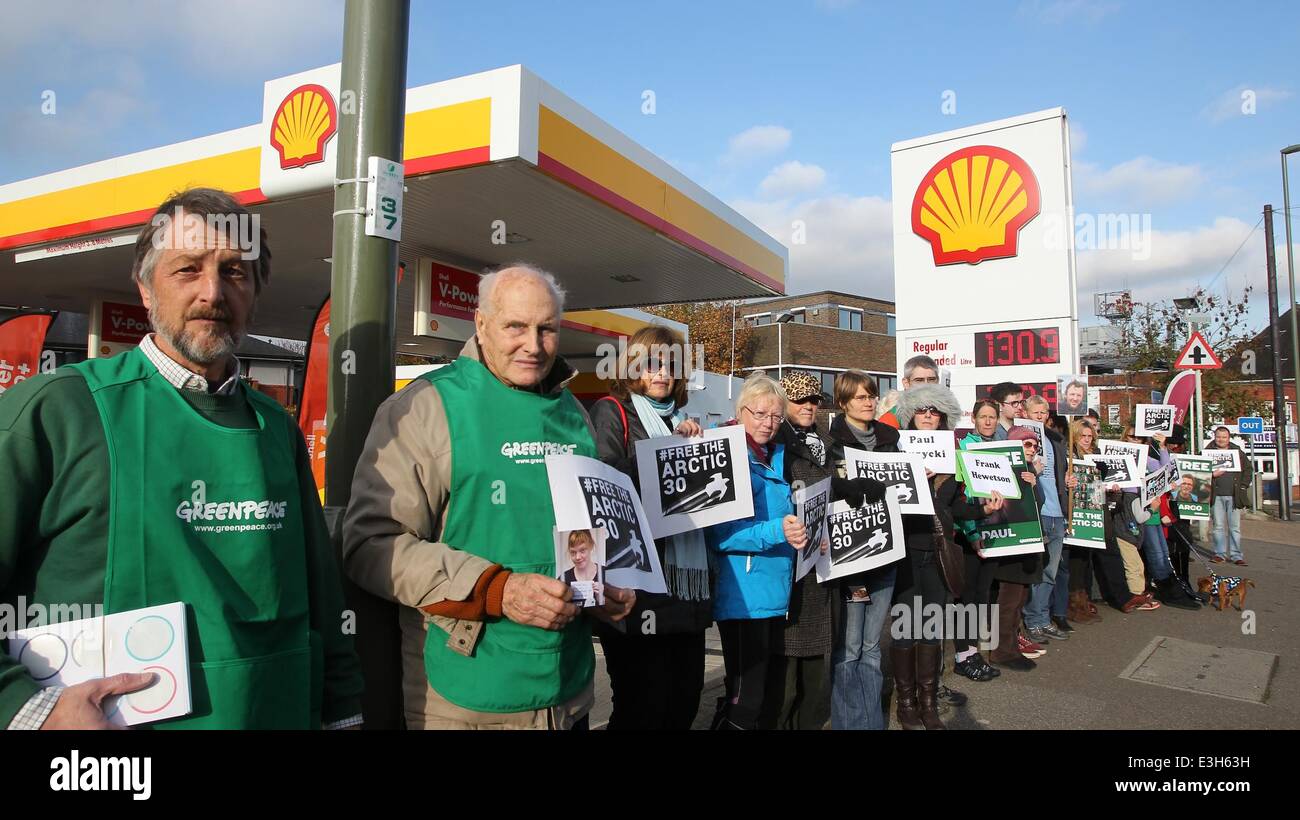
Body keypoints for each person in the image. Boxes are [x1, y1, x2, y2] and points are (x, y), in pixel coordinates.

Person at [0, 188, 364, 729]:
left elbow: (322, 599)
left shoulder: (275, 429)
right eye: (187, 270)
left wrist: (344, 715)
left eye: (235, 272)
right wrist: (30, 711)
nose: (212, 293)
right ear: (145, 289)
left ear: (256, 291)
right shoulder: (57, 410)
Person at [343, 265, 635, 730]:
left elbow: (584, 531)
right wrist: (497, 591)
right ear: (481, 324)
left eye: (547, 329)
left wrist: (605, 584)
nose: (533, 345)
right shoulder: (424, 407)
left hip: (569, 695)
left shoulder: (574, 413)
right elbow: (370, 544)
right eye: (515, 326)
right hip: (465, 702)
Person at [587, 325, 710, 730]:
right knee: (643, 705)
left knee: (685, 700)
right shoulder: (612, 410)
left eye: (670, 365)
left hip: (685, 588)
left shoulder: (684, 420)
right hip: (636, 583)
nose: (661, 373)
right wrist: (665, 451)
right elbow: (605, 483)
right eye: (652, 364)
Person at [760, 370, 884, 730]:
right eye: (801, 400)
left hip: (823, 564)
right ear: (784, 404)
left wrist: (849, 488)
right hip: (789, 565)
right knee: (784, 678)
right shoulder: (776, 443)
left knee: (815, 676)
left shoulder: (824, 441)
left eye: (814, 400)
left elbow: (830, 488)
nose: (809, 406)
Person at [891, 385, 1004, 728]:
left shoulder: (950, 455)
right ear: (911, 414)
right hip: (907, 549)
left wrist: (982, 509)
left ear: (943, 417)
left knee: (931, 628)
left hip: (939, 551)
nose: (928, 415)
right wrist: (914, 479)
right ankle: (906, 703)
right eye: (922, 409)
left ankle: (927, 701)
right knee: (905, 627)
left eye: (935, 411)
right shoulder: (896, 449)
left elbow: (953, 505)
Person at [706, 374, 806, 730]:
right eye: (760, 414)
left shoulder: (774, 454)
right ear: (741, 411)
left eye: (777, 416)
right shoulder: (729, 454)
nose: (769, 423)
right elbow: (721, 534)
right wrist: (778, 530)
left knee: (750, 694)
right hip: (744, 594)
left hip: (770, 589)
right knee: (746, 698)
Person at [825, 370, 901, 729]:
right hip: (852, 560)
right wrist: (843, 487)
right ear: (843, 403)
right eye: (859, 397)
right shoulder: (831, 442)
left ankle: (871, 722)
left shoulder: (891, 439)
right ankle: (846, 722)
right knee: (849, 646)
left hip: (886, 554)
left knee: (872, 647)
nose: (868, 402)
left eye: (871, 395)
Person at [951, 399, 1008, 678]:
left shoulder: (1001, 447)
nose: (988, 421)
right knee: (968, 596)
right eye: (983, 417)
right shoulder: (963, 449)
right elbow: (962, 497)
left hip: (994, 530)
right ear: (973, 418)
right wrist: (972, 533)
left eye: (992, 417)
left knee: (982, 595)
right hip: (969, 534)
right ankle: (963, 656)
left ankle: (973, 652)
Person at [987, 426, 1046, 668]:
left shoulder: (1030, 471)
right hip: (1012, 541)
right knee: (1009, 601)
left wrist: (1034, 483)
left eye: (1034, 445)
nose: (1032, 449)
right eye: (1026, 444)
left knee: (1019, 598)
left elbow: (1037, 504)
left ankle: (1011, 648)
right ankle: (1002, 651)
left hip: (1030, 541)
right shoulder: (1004, 470)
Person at [1022, 396, 1076, 643]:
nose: (1040, 416)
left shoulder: (1055, 440)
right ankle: (1032, 620)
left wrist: (1067, 482)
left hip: (1057, 514)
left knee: (1050, 572)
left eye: (1044, 412)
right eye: (1036, 412)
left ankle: (1042, 618)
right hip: (1039, 512)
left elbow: (1060, 474)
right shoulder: (1022, 440)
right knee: (1036, 571)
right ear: (1026, 412)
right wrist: (1033, 468)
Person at [1140, 435, 1199, 609]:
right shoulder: (1132, 459)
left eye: (1141, 439)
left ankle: (1173, 588)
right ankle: (1168, 592)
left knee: (1163, 551)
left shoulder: (1149, 458)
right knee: (1156, 554)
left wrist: (1163, 447)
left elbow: (1166, 471)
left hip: (1156, 512)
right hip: (1144, 513)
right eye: (1133, 438)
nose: (1138, 441)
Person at [1206, 426, 1252, 566]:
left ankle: (1236, 555)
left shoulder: (1237, 451)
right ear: (1215, 437)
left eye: (1224, 437)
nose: (1221, 439)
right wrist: (1211, 475)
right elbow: (1199, 470)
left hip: (1234, 495)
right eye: (1218, 437)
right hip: (1216, 495)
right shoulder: (1207, 452)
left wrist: (1243, 486)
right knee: (1218, 526)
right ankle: (1219, 554)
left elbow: (1248, 469)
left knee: (1234, 527)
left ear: (1228, 438)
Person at [878, 354, 941, 428]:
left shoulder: (945, 414)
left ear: (937, 381)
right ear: (906, 383)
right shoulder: (891, 419)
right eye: (919, 380)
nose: (926, 385)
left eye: (931, 379)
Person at [562, 530, 605, 607]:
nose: (578, 557)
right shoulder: (564, 579)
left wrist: (601, 598)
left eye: (582, 551)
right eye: (573, 552)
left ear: (591, 546)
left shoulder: (605, 573)